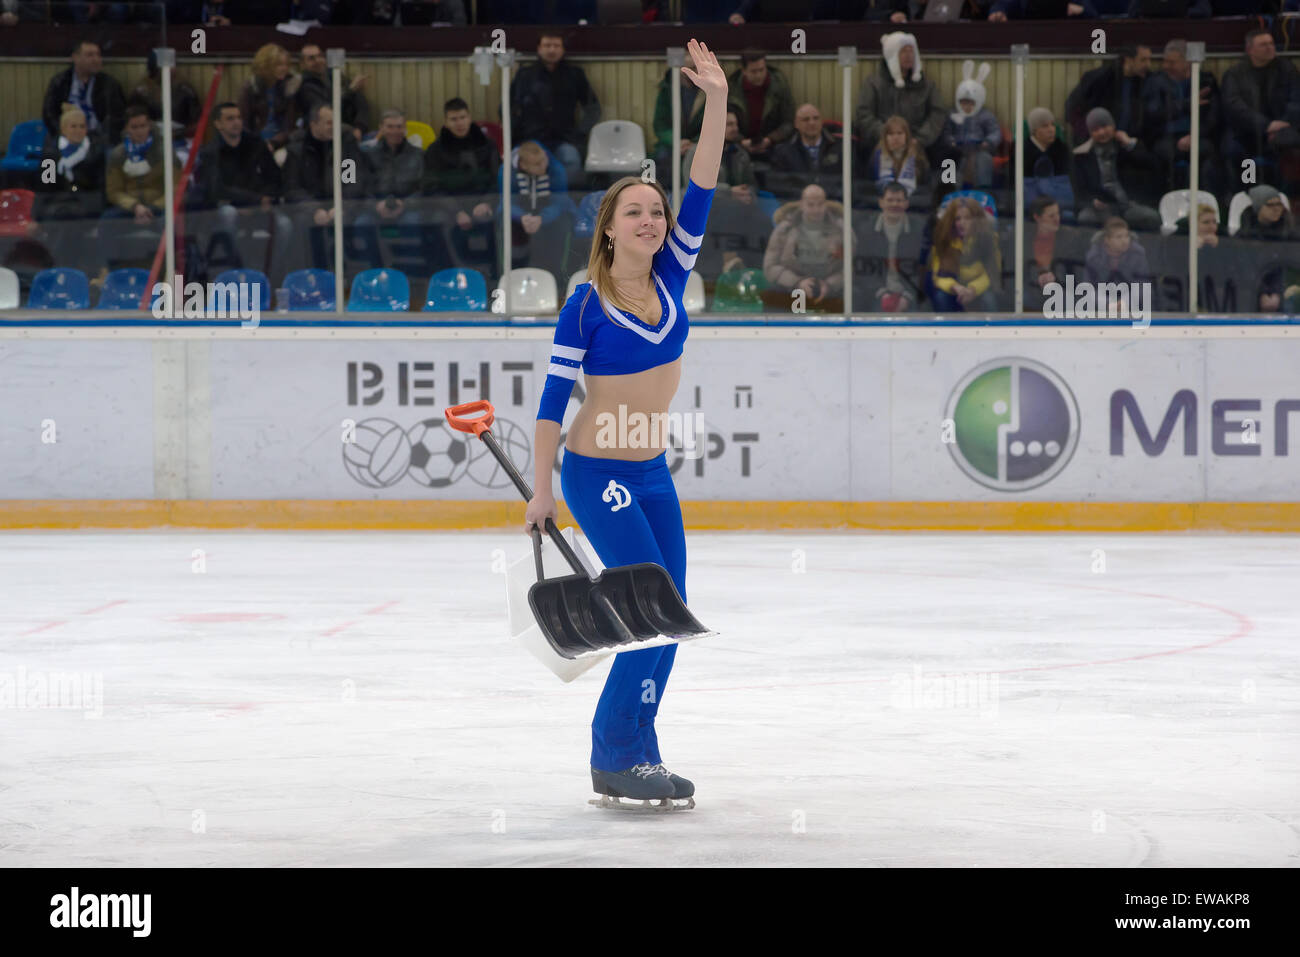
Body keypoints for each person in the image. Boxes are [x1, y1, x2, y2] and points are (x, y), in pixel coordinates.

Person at [525, 38, 727, 808]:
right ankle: (612, 755)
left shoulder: (673, 276)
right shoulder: (586, 304)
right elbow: (550, 403)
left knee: (668, 613)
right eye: (634, 210)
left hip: (650, 470)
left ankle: (640, 749)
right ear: (608, 228)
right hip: (597, 472)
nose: (651, 218)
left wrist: (715, 103)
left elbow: (703, 183)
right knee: (646, 615)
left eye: (657, 211)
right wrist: (540, 493)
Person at [508, 32, 600, 190]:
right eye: (547, 45)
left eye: (556, 46)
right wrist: (517, 134)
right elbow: (508, 107)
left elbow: (593, 108)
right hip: (530, 139)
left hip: (564, 139)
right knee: (513, 165)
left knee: (571, 160)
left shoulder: (575, 75)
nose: (551, 50)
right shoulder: (525, 75)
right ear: (539, 48)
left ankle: (565, 207)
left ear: (563, 49)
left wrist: (579, 134)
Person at [854, 32, 946, 168]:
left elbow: (937, 114)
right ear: (891, 55)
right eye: (903, 51)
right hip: (881, 144)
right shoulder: (873, 84)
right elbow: (864, 115)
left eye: (911, 51)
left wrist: (918, 140)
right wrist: (889, 136)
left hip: (919, 144)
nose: (909, 55)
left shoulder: (927, 86)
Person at [1071, 107, 1163, 232]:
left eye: (1105, 126)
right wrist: (1092, 201)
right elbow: (1079, 189)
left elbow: (1152, 165)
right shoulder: (1082, 156)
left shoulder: (1126, 147)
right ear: (1090, 133)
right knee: (1085, 218)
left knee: (1151, 218)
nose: (1102, 132)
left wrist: (1129, 145)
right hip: (1100, 208)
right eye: (1096, 129)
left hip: (1128, 204)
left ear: (1113, 126)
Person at [763, 183, 850, 310]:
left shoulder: (842, 229)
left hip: (830, 289)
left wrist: (829, 284)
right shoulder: (785, 229)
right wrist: (796, 282)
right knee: (773, 295)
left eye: (820, 204)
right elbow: (770, 267)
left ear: (826, 204)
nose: (816, 210)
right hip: (791, 287)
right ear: (802, 204)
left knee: (854, 294)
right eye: (810, 205)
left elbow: (849, 267)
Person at [42, 39, 127, 145]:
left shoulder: (110, 84)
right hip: (67, 135)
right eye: (90, 55)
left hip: (99, 138)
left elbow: (117, 117)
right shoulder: (60, 82)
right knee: (51, 147)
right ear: (75, 58)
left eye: (98, 55)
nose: (96, 59)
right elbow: (49, 114)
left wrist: (99, 138)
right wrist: (63, 132)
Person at [927, 196, 1000, 312]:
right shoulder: (943, 240)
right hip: (954, 288)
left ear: (977, 220)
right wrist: (955, 287)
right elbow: (938, 276)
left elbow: (991, 273)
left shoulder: (989, 239)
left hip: (979, 288)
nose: (962, 223)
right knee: (941, 297)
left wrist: (972, 289)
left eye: (968, 218)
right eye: (957, 219)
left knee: (989, 299)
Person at [238, 43, 300, 158]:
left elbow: (290, 125)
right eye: (279, 64)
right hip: (255, 141)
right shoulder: (251, 87)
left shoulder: (290, 86)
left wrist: (274, 143)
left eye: (287, 64)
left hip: (283, 143)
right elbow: (244, 123)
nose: (284, 68)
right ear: (265, 65)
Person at [869, 115, 927, 198]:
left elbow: (924, 177)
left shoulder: (916, 152)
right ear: (885, 137)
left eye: (899, 133)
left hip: (912, 199)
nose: (895, 138)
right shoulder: (878, 154)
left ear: (907, 136)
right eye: (891, 134)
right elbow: (872, 178)